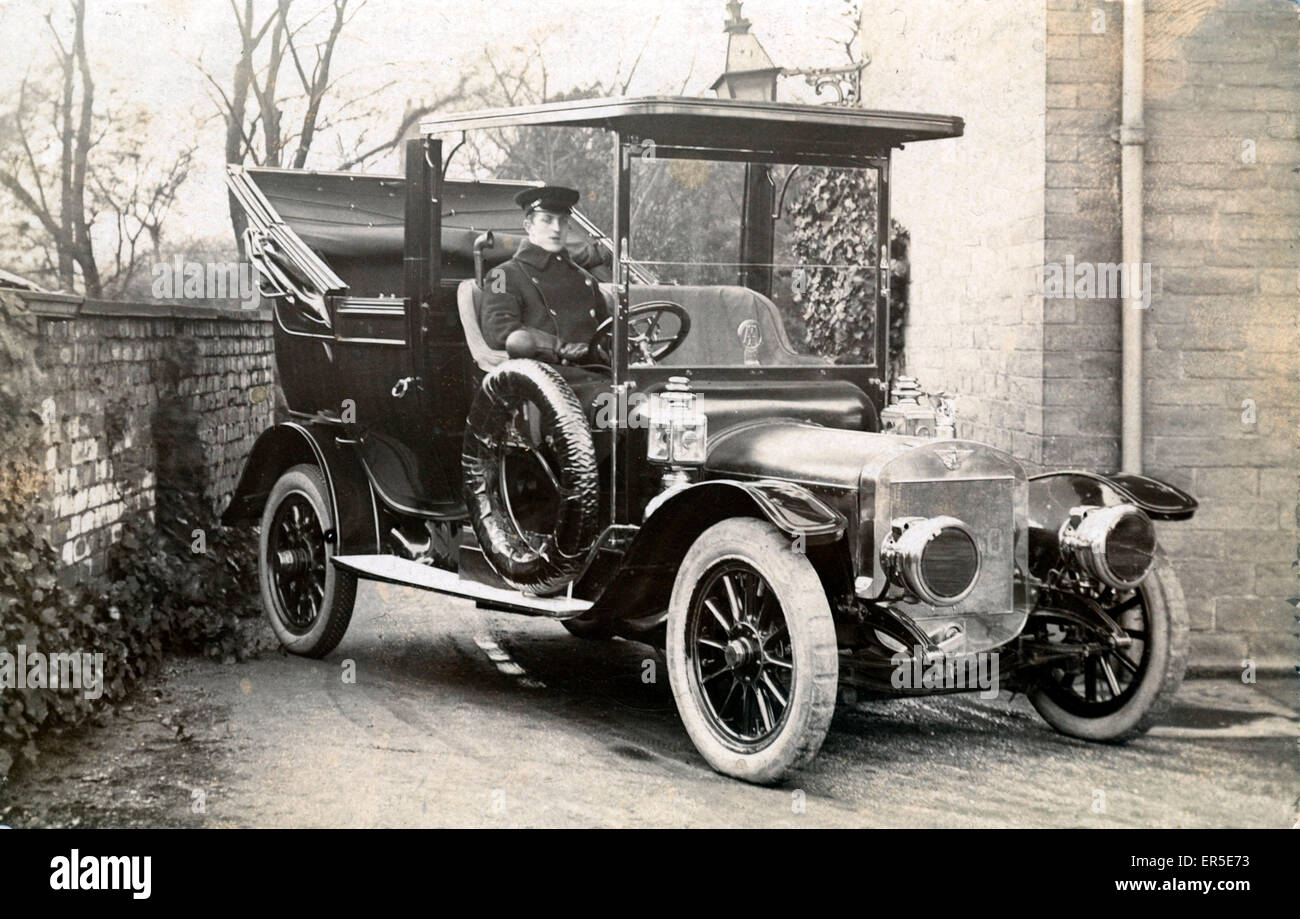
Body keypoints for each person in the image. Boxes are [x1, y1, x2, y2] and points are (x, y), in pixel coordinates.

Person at [479, 185, 610, 371]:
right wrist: (559, 348)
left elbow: (609, 328)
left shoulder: (585, 279)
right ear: (528, 226)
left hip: (600, 370)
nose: (556, 229)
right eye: (547, 220)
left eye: (563, 221)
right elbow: (499, 330)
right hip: (549, 376)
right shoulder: (501, 275)